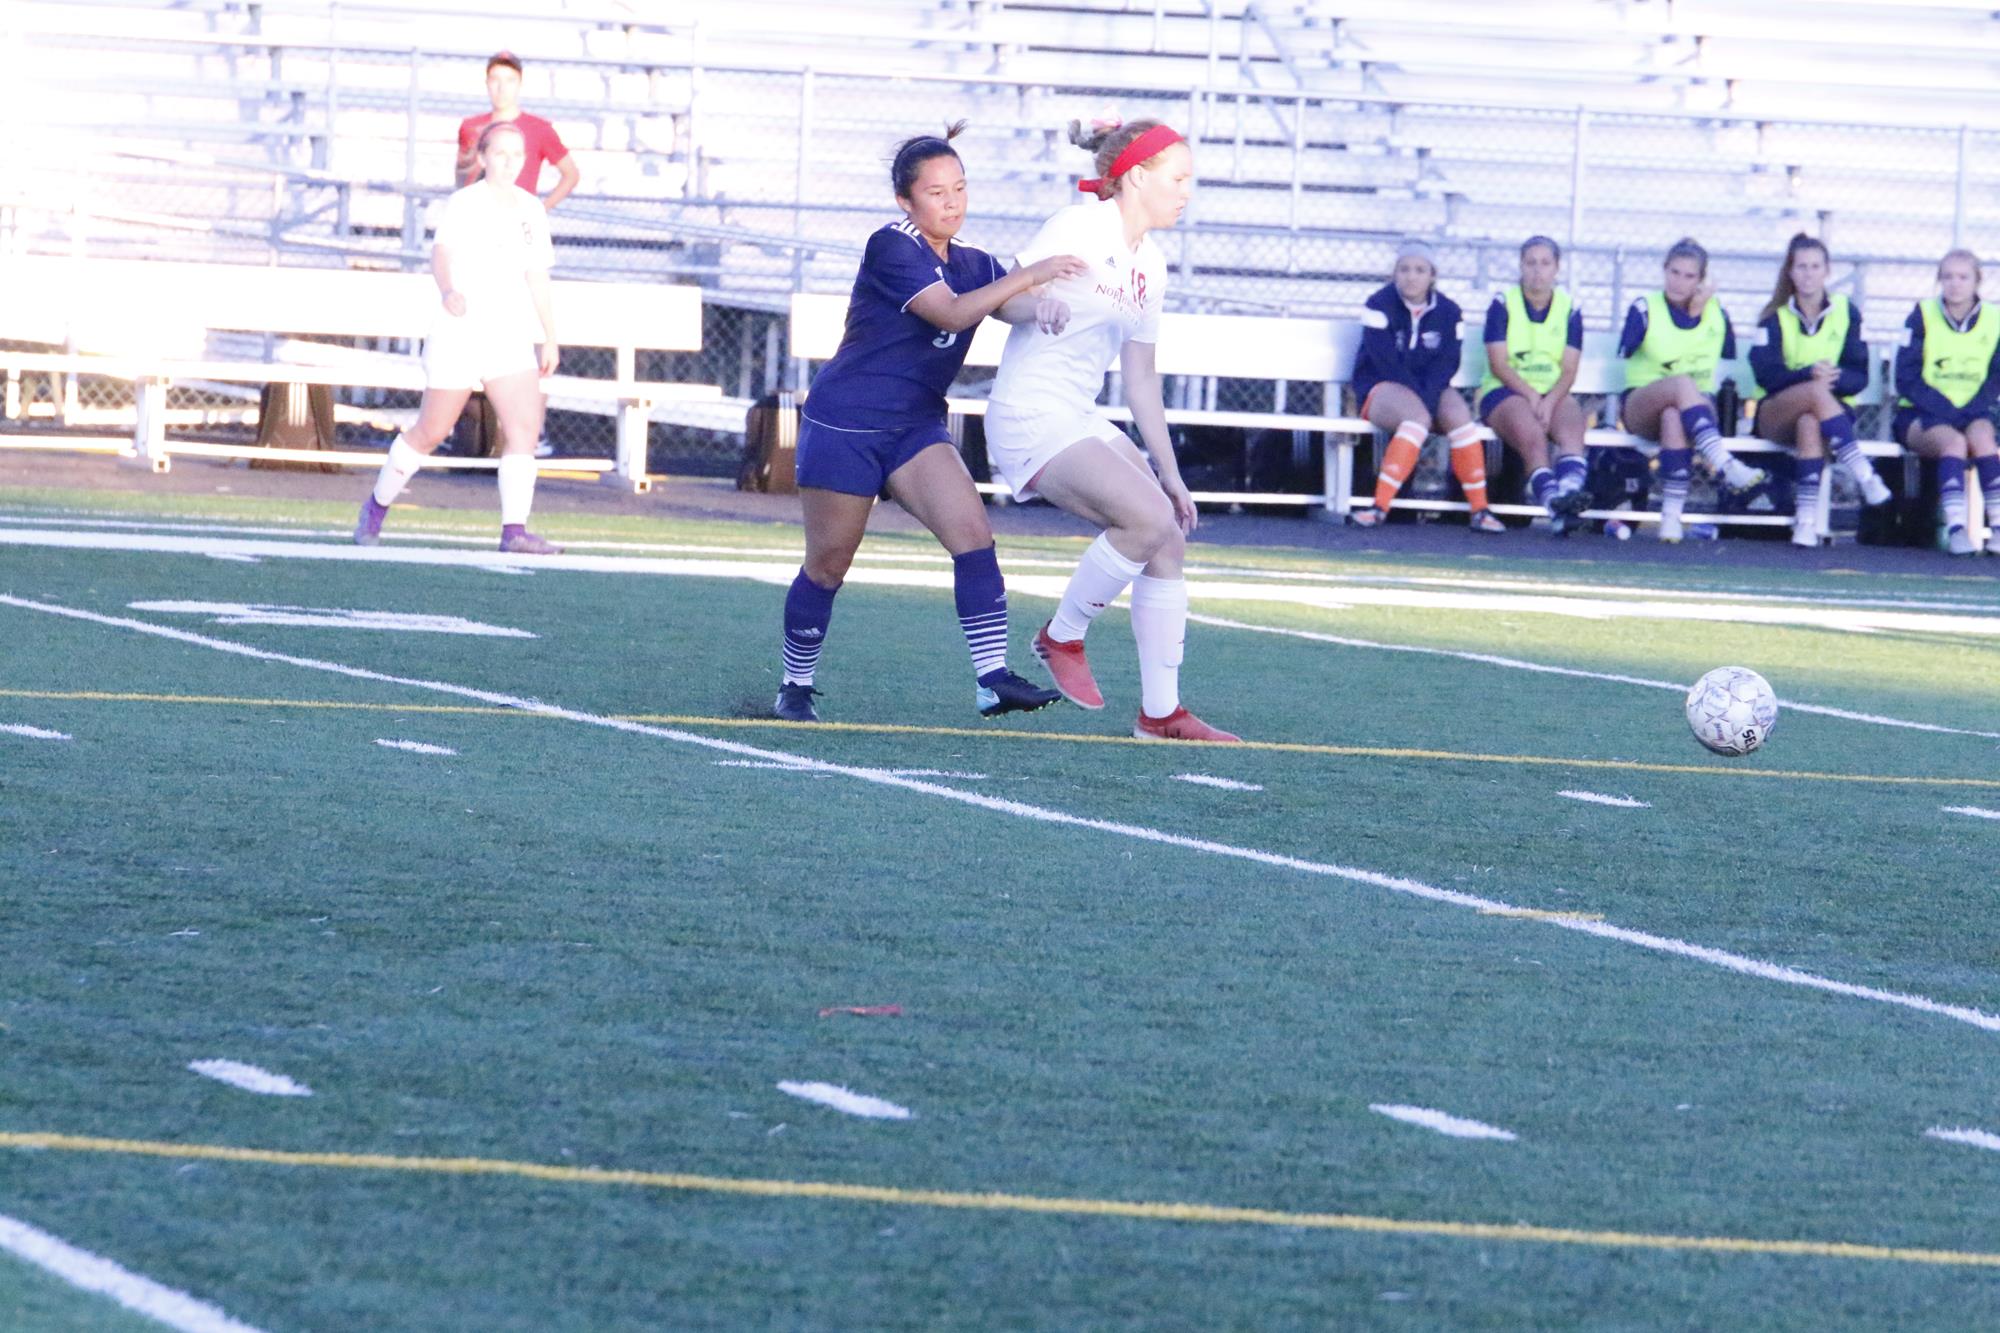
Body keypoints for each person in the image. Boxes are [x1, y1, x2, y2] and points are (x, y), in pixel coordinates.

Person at [773, 123, 1082, 723]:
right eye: (937, 192)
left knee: (973, 536)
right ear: (905, 202)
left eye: (960, 189)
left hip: (914, 428)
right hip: (847, 423)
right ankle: (795, 684)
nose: (952, 202)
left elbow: (1003, 302)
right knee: (829, 563)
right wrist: (1030, 275)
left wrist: (1035, 305)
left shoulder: (969, 259)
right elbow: (955, 309)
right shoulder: (891, 243)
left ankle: (993, 680)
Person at [984, 118, 1238, 743]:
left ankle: (1161, 714)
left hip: (1079, 413)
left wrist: (1172, 475)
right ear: (1138, 176)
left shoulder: (1150, 263)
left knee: (1167, 533)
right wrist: (1031, 302)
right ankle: (1061, 635)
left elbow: (1142, 378)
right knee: (1145, 523)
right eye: (1178, 178)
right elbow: (999, 300)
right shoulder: (1077, 225)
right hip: (1030, 413)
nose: (1186, 191)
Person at [353, 122, 562, 554]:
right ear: (483, 158)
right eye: (500, 154)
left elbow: (537, 275)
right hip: (461, 332)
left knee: (524, 429)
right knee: (431, 430)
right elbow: (442, 252)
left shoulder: (531, 209)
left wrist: (551, 336)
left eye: (517, 155)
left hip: (508, 334)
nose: (509, 162)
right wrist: (449, 291)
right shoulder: (465, 203)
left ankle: (514, 532)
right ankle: (375, 507)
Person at [1618, 237, 1765, 542]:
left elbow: (1729, 358)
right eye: (1674, 272)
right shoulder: (1644, 307)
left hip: (1694, 410)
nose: (1679, 281)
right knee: (1681, 384)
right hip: (1641, 404)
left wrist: (1698, 312)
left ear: (1701, 280)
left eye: (1689, 276)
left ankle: (1671, 517)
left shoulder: (1716, 313)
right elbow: (1625, 350)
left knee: (1675, 413)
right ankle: (1725, 464)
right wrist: (1685, 318)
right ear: (1664, 270)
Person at [1748, 233, 1891, 548]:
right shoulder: (1775, 315)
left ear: (1827, 271)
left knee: (1811, 422)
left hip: (1829, 418)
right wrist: (1807, 375)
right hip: (1776, 415)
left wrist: (1834, 378)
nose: (1808, 274)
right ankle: (1863, 472)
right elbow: (1764, 375)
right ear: (1790, 271)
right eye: (1801, 267)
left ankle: (1806, 520)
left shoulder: (1847, 312)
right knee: (1812, 392)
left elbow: (1860, 377)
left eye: (1815, 266)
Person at [1350, 240, 1499, 532]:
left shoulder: (1449, 311)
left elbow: (1447, 363)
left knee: (1460, 418)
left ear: (1432, 275)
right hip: (1382, 386)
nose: (1411, 276)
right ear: (1394, 273)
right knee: (1416, 419)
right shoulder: (1378, 304)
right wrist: (1423, 402)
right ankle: (1379, 507)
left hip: (1430, 387)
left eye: (1420, 269)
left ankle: (1480, 510)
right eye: (1404, 269)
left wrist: (1428, 396)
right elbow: (1384, 362)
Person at [1892, 248, 2000, 556]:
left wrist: (1970, 410)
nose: (1955, 284)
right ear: (1940, 280)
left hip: (1971, 411)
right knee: (1953, 443)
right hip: (1922, 413)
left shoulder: (1994, 319)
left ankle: (1997, 528)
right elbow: (1906, 377)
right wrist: (1946, 410)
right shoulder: (1922, 315)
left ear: (1977, 280)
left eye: (1963, 277)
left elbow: (1995, 377)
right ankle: (1956, 529)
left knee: (1983, 438)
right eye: (1948, 276)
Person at [1480, 235, 1590, 535]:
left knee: (1572, 429)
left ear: (1557, 268)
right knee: (1532, 437)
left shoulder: (1570, 308)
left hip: (1551, 391)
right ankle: (1554, 502)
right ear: (1521, 266)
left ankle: (1567, 496)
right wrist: (1531, 395)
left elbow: (1569, 369)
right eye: (1530, 263)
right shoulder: (1503, 304)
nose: (1537, 271)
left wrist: (1550, 400)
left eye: (1545, 263)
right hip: (1506, 390)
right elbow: (1498, 364)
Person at [456, 51, 580, 211]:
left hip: (518, 219)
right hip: (477, 216)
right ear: (487, 82)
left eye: (510, 80)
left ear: (520, 84)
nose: (502, 88)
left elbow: (571, 174)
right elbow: (462, 174)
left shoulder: (539, 129)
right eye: (495, 79)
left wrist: (540, 210)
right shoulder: (470, 126)